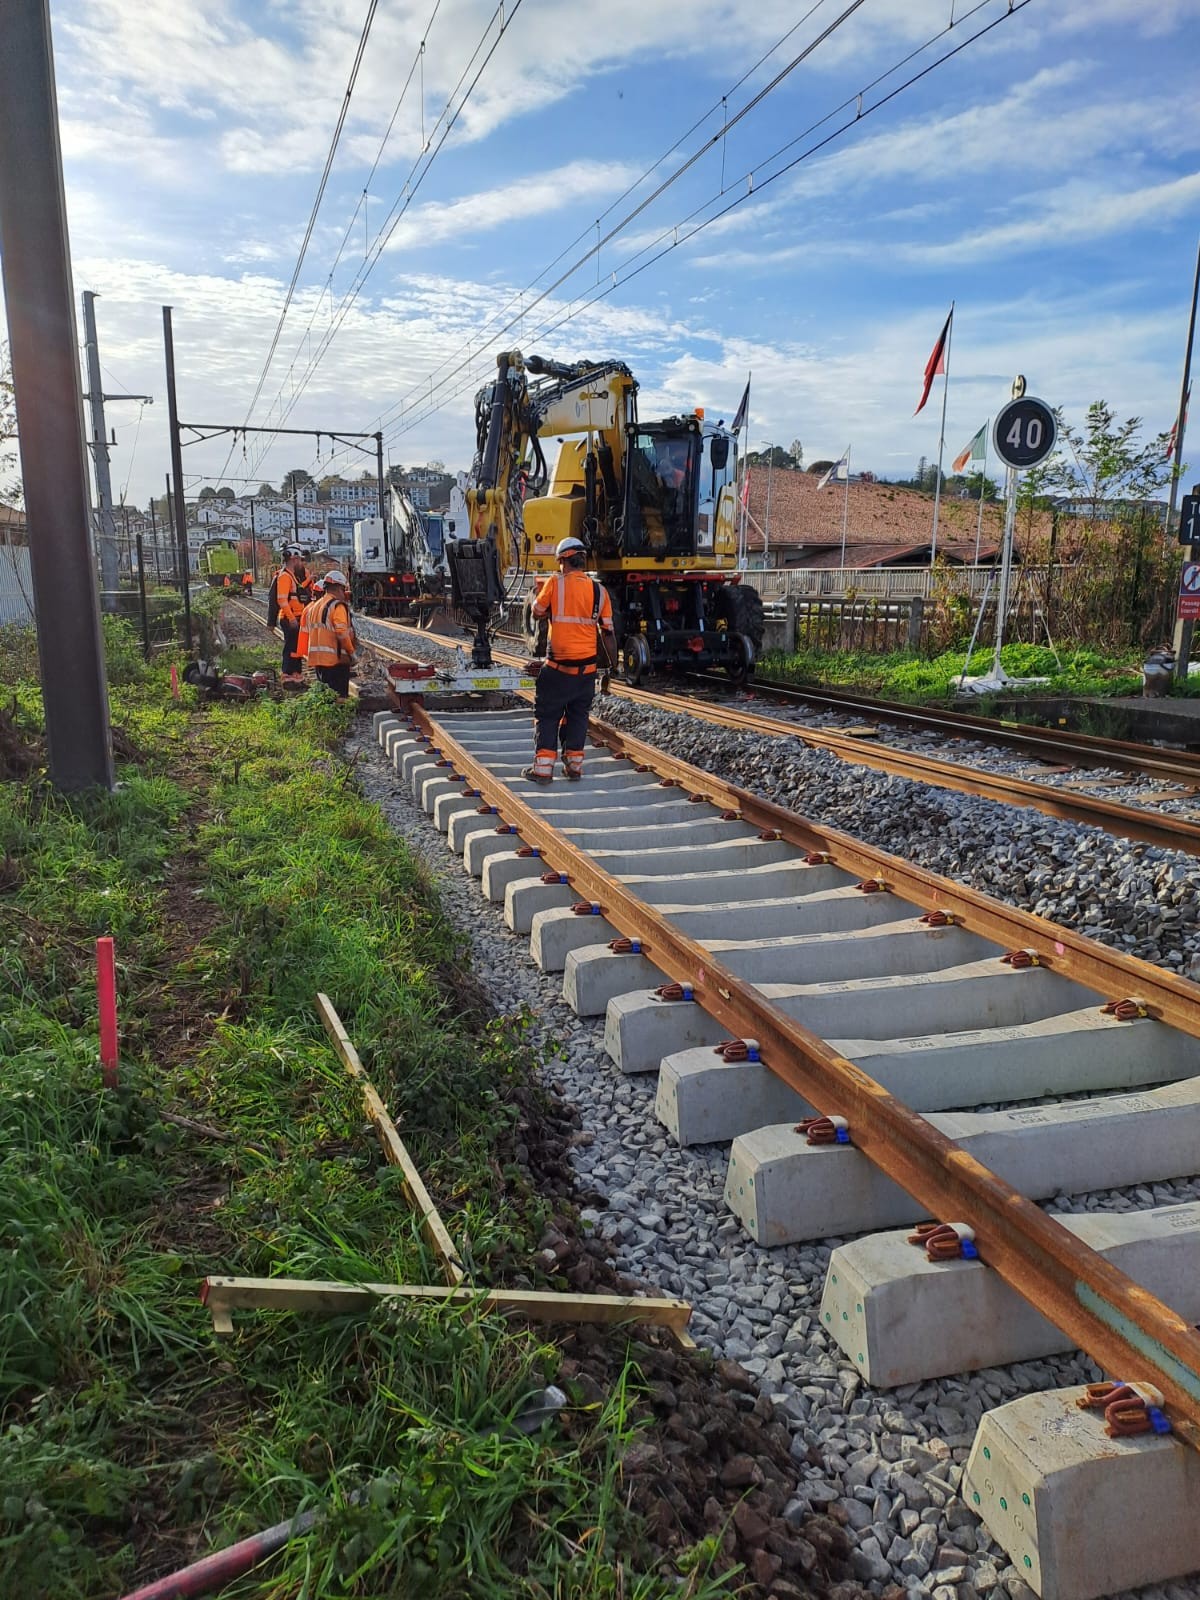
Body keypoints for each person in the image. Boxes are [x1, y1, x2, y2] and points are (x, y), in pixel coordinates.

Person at [523, 536, 615, 784]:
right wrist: (612, 667)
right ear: (582, 561)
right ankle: (574, 766)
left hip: (557, 668)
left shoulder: (555, 583)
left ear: (563, 561)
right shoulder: (600, 591)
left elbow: (537, 612)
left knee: (548, 714)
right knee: (578, 716)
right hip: (586, 672)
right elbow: (608, 632)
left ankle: (543, 771)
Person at [300, 570, 359, 697]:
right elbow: (342, 632)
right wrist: (352, 653)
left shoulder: (314, 607)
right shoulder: (337, 606)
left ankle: (327, 716)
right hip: (335, 662)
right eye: (344, 590)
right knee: (338, 698)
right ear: (339, 588)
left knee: (325, 697)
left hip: (318, 660)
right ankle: (339, 716)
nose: (345, 594)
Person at [274, 545, 310, 684]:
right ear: (294, 559)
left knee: (295, 647)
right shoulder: (284, 576)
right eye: (299, 560)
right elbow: (281, 599)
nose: (301, 563)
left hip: (295, 617)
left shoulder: (290, 576)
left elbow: (297, 593)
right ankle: (287, 673)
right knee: (290, 646)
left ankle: (295, 672)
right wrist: (291, 618)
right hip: (290, 618)